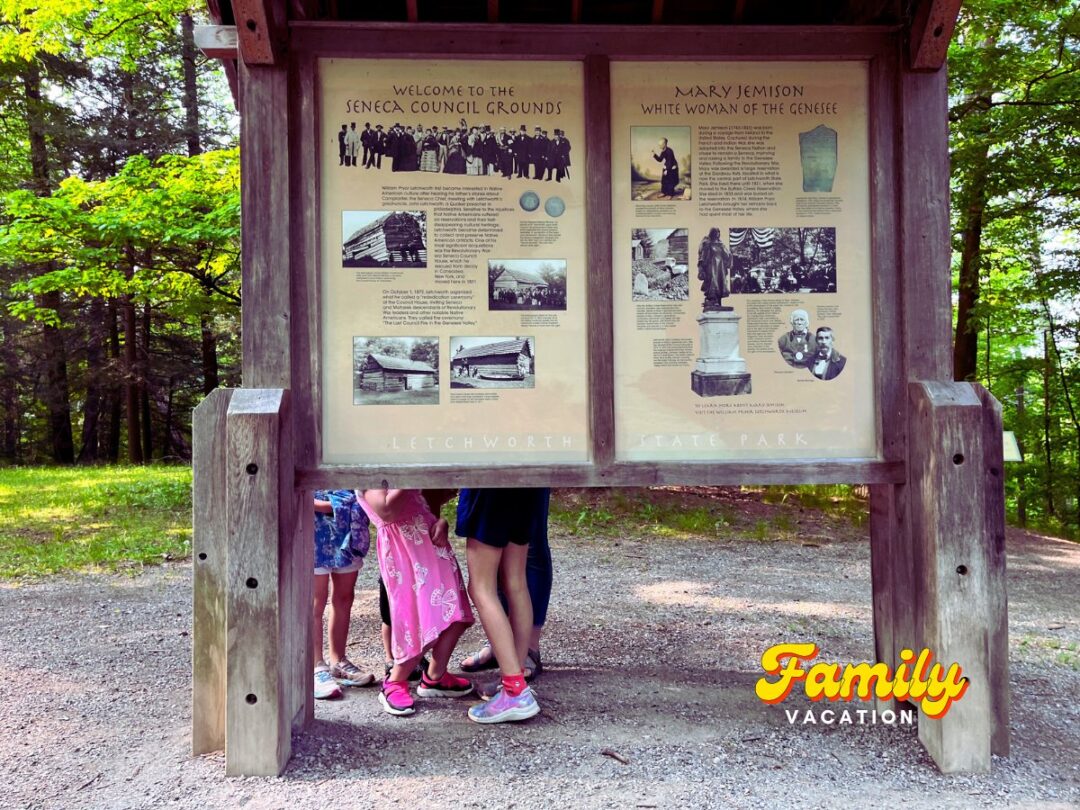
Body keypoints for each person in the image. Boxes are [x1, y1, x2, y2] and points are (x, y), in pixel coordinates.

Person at [357, 487, 474, 716]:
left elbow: (425, 501)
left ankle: (435, 677)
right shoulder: (368, 473)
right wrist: (408, 478)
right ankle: (394, 682)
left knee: (456, 614)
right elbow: (386, 510)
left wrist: (441, 521)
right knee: (416, 622)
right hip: (403, 551)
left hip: (430, 542)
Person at [457, 488, 547, 724]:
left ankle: (515, 690)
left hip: (489, 487)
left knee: (481, 587)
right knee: (515, 582)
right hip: (523, 485)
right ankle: (516, 682)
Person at [312, 490, 374, 700]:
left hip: (348, 527)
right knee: (314, 602)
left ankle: (338, 661)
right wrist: (319, 504)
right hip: (312, 528)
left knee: (344, 598)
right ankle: (316, 666)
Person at [697, 227, 732, 309]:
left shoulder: (721, 244)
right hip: (711, 266)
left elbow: (727, 255)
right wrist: (701, 267)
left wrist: (729, 255)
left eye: (718, 232)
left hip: (720, 267)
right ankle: (712, 300)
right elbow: (703, 256)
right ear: (712, 233)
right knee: (712, 281)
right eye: (716, 232)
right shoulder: (707, 243)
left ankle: (718, 301)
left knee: (720, 282)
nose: (717, 234)